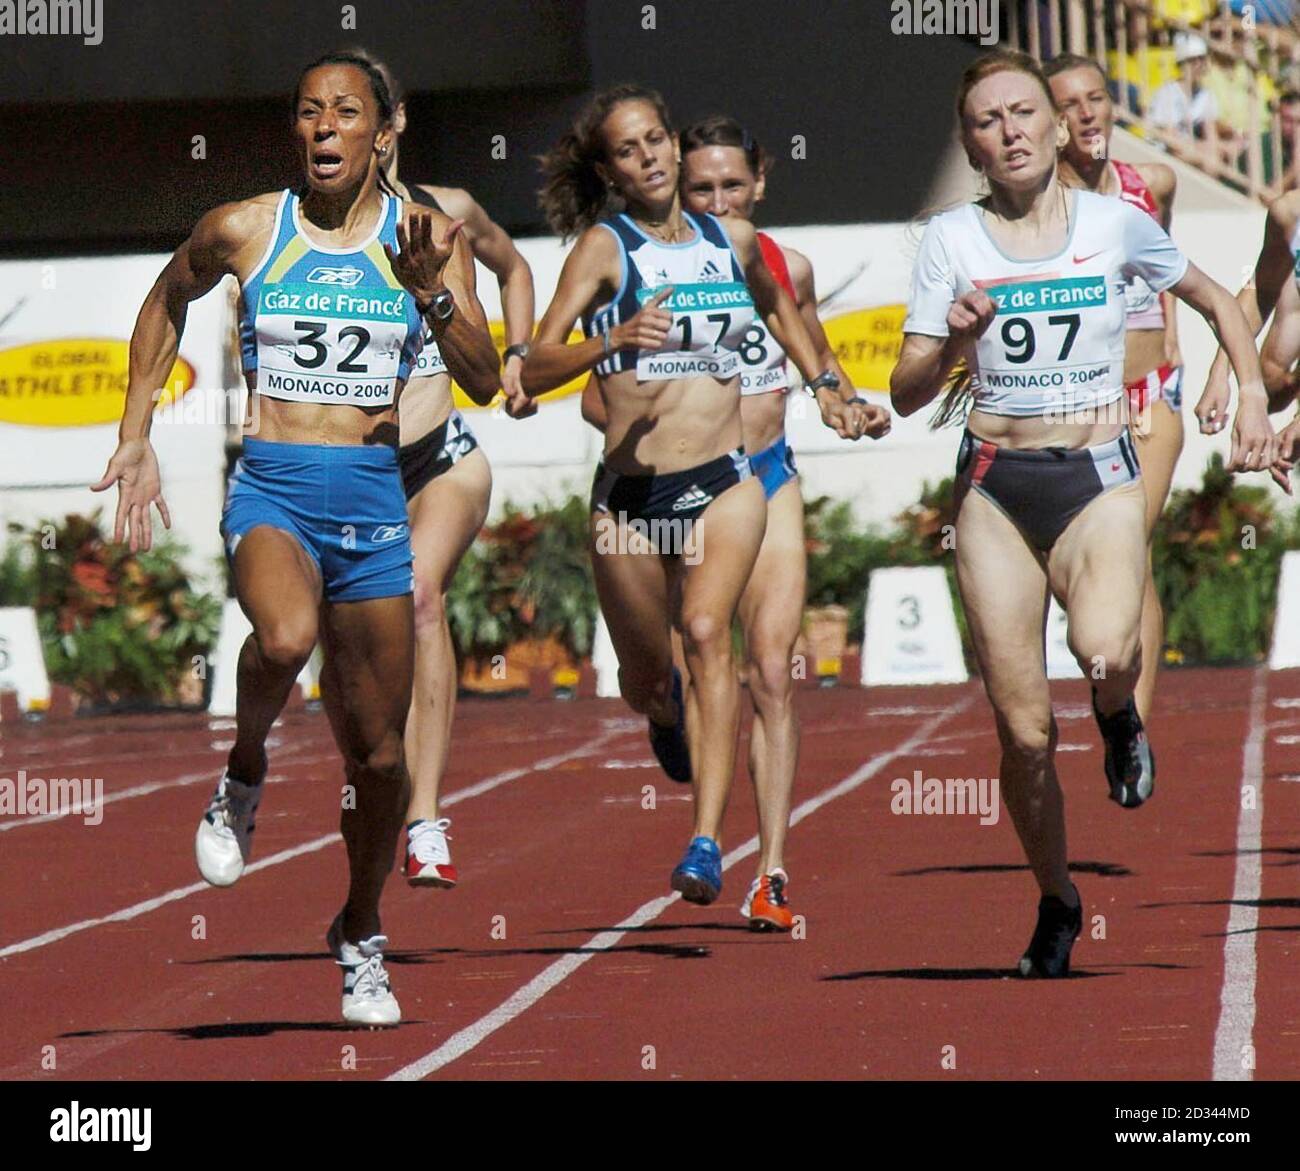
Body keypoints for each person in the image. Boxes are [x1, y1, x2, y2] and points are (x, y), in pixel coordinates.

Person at [94, 52, 499, 1024]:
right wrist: (137, 431)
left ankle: (359, 929)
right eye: (309, 113)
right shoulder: (243, 228)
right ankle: (242, 771)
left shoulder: (432, 237)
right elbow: (166, 296)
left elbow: (485, 381)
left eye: (346, 113)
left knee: (380, 761)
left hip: (373, 493)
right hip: (274, 484)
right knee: (281, 636)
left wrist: (431, 292)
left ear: (383, 132)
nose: (324, 128)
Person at [891, 50, 1275, 978]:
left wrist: (1253, 394)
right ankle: (1057, 898)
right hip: (993, 486)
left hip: (1099, 469)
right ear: (973, 145)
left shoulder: (1115, 223)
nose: (1012, 130)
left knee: (1105, 650)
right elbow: (904, 392)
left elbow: (1219, 299)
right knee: (1022, 731)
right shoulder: (951, 239)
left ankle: (1118, 716)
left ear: (1058, 128)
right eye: (990, 121)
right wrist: (955, 338)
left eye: (1026, 112)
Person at [523, 84, 870, 906]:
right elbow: (534, 364)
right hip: (630, 499)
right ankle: (663, 712)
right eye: (627, 150)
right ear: (607, 169)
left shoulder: (733, 240)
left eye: (656, 140)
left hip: (724, 481)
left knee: (710, 630)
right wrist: (608, 340)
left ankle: (708, 839)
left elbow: (781, 307)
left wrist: (826, 384)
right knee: (648, 673)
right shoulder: (605, 251)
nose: (647, 158)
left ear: (675, 145)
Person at [360, 51, 537, 890]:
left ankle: (427, 816)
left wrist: (519, 355)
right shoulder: (307, 232)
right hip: (355, 474)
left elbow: (515, 267)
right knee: (356, 644)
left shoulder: (449, 211)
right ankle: (379, 786)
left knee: (422, 597)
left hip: (443, 461)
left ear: (392, 128)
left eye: (370, 116)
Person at [1048, 53, 1181, 726]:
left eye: (1096, 98)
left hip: (1151, 391)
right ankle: (1109, 676)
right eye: (1069, 105)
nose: (1086, 114)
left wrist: (1176, 341)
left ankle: (1135, 725)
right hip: (1077, 404)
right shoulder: (1045, 206)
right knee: (1090, 567)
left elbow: (1168, 264)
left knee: (1134, 548)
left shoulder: (1151, 180)